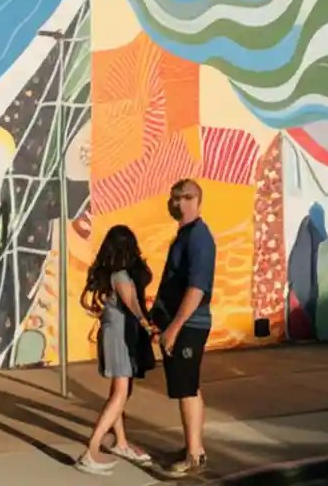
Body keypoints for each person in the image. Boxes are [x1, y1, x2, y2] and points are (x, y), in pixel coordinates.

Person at [75, 224, 158, 475]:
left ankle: (121, 442)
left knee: (121, 389)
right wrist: (147, 325)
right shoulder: (121, 275)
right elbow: (131, 301)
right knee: (121, 392)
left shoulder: (110, 273)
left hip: (112, 332)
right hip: (119, 335)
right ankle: (91, 449)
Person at [151, 178, 216, 477]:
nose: (177, 202)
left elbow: (196, 288)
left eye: (184, 197)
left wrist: (175, 327)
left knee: (186, 388)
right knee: (189, 386)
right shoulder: (185, 236)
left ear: (196, 200)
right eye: (174, 197)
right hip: (180, 323)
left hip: (189, 324)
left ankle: (192, 456)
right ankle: (194, 447)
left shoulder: (199, 238)